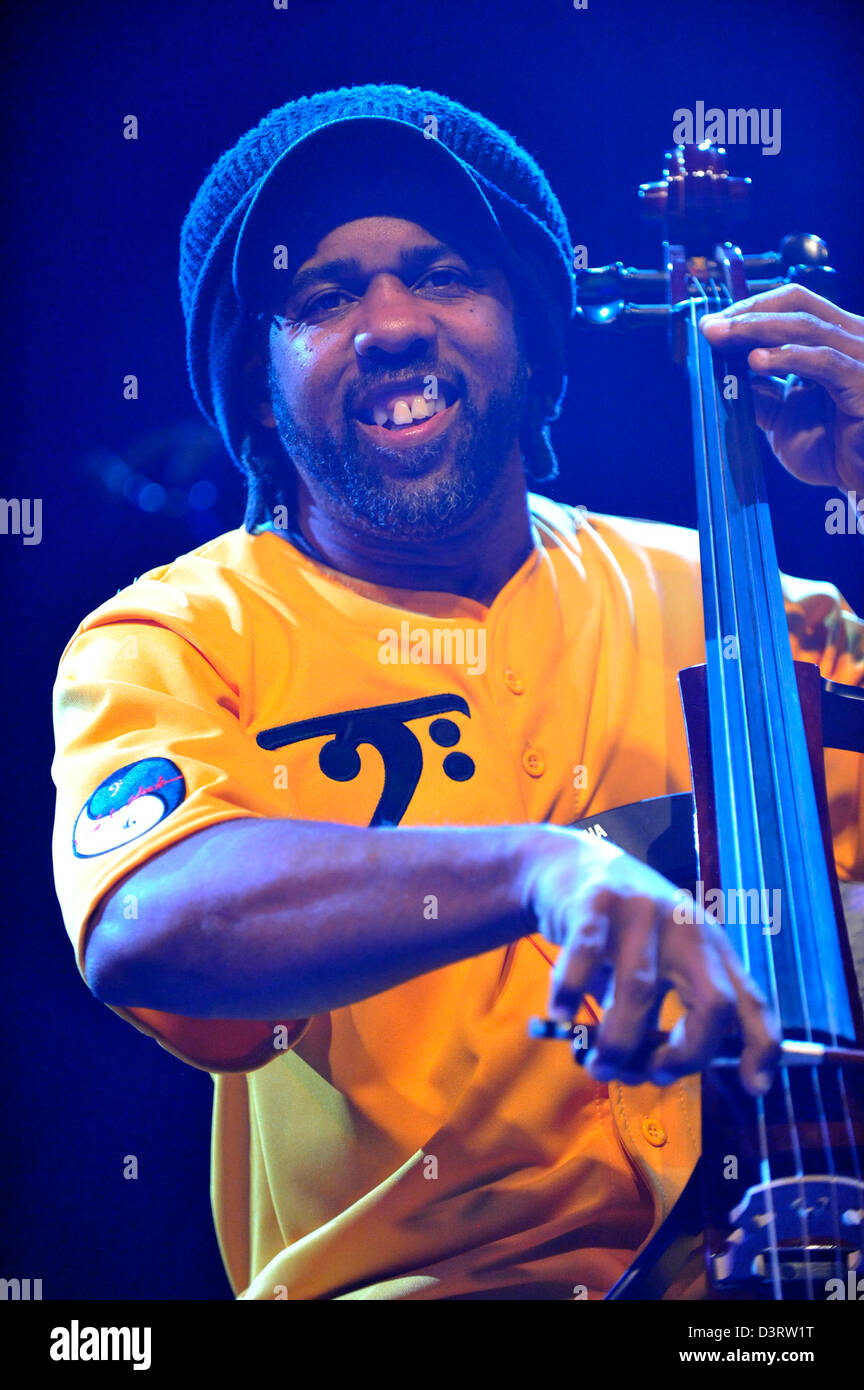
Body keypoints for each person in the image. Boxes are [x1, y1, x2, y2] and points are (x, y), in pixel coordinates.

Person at [51, 85, 864, 1301]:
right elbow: (146, 922)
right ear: (259, 390)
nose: (389, 324)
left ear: (531, 337)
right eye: (321, 297)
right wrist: (538, 871)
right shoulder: (176, 632)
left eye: (441, 273)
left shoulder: (760, 612)